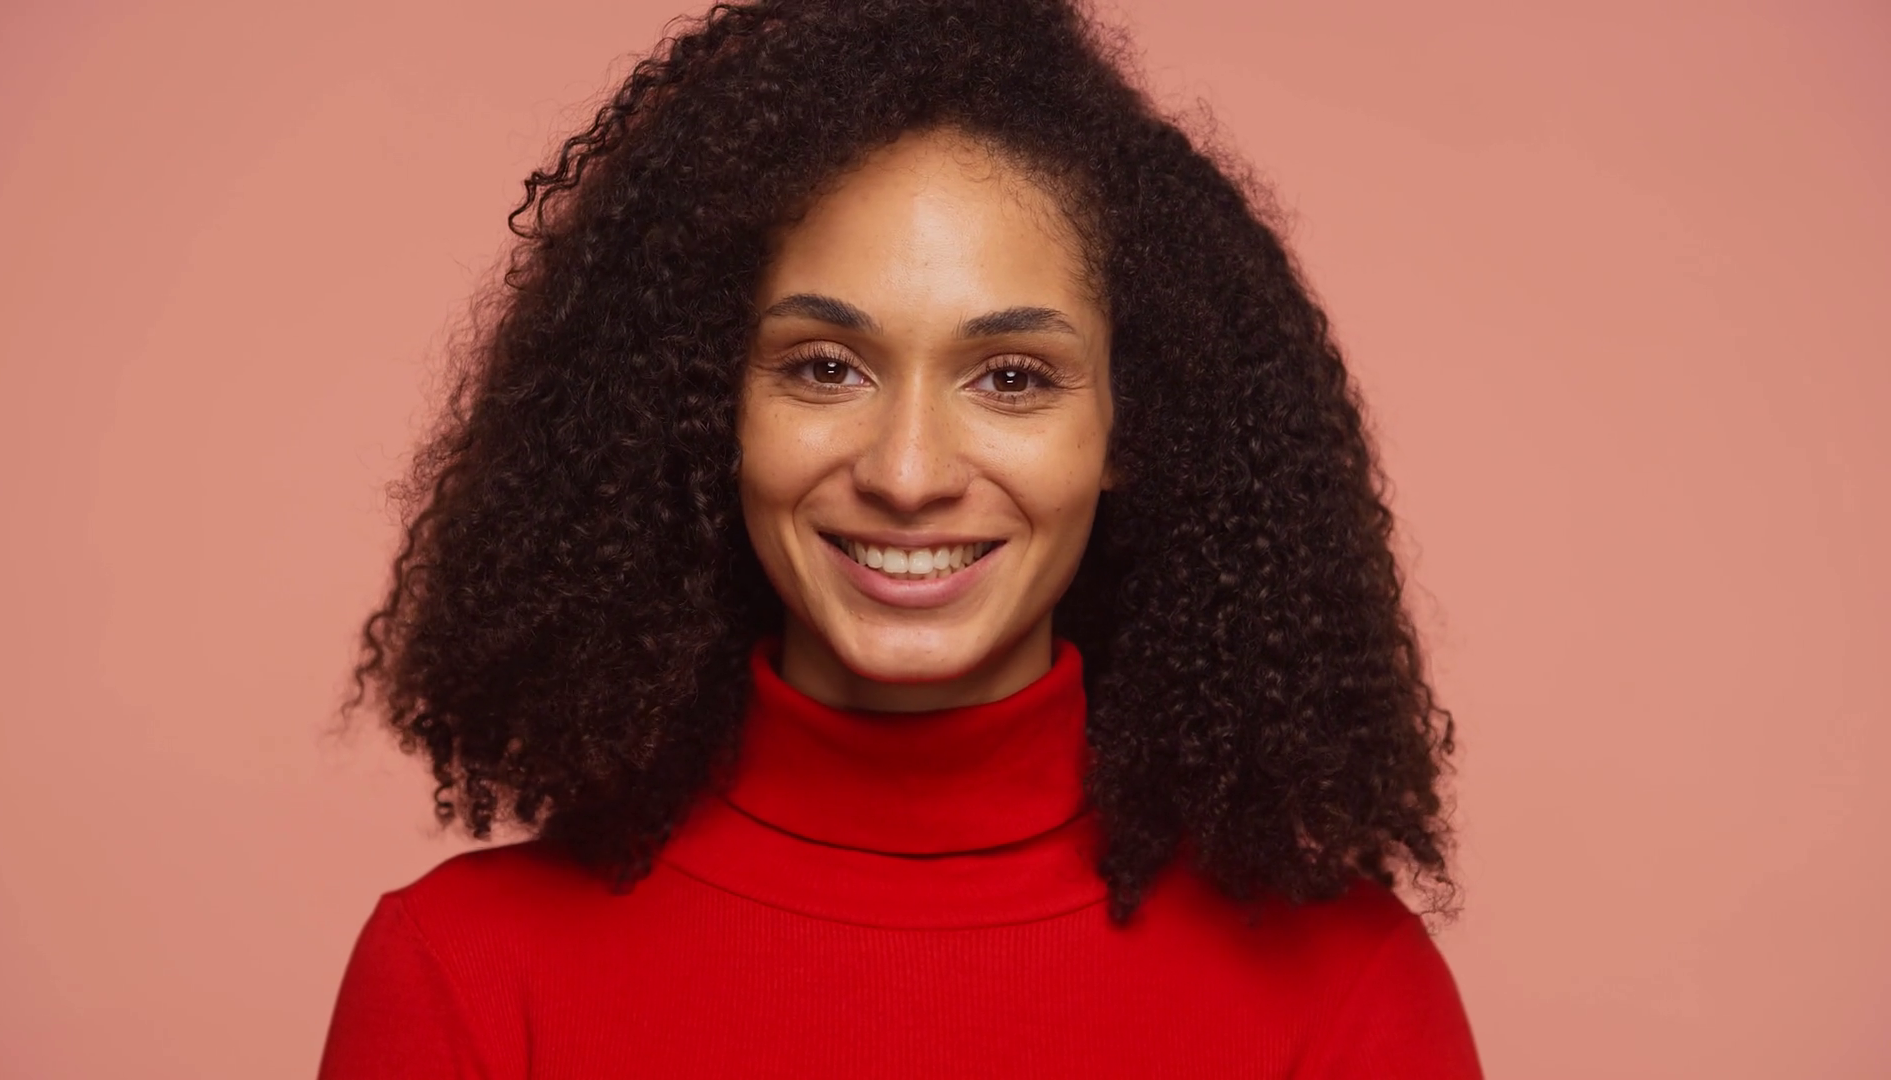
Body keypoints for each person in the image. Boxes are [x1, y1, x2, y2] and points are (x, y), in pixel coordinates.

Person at [317, 0, 1481, 1075]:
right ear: (707, 407)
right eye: (826, 368)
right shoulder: (466, 974)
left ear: (1135, 426)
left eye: (1012, 377)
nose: (907, 475)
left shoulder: (1348, 997)